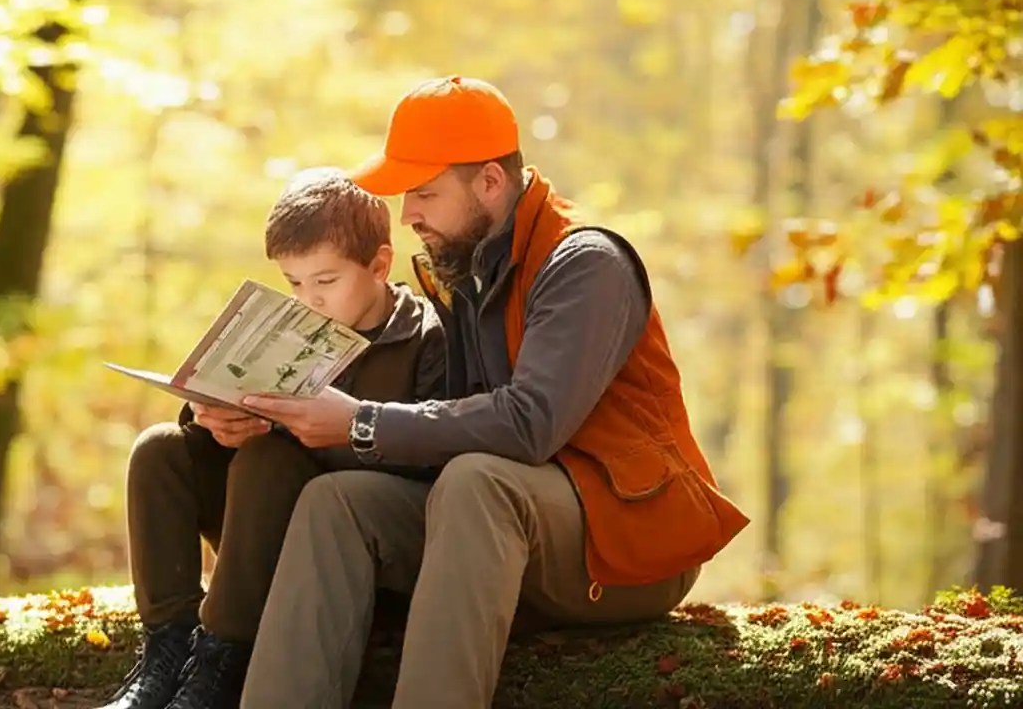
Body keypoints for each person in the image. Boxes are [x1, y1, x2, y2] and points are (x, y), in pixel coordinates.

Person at [239, 76, 751, 708]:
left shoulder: (584, 263)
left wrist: (363, 422)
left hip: (628, 543)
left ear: (489, 182)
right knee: (336, 502)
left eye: (424, 193)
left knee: (478, 480)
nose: (408, 216)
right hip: (502, 529)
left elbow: (529, 425)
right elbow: (444, 427)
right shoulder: (464, 267)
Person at [100, 167, 444, 709]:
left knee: (270, 459)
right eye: (294, 284)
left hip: (341, 546)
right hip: (256, 525)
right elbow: (216, 427)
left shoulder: (425, 336)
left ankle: (222, 663)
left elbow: (424, 467)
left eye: (326, 282)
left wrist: (323, 434)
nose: (309, 300)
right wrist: (210, 418)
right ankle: (166, 656)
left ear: (380, 265)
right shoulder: (282, 328)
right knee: (160, 450)